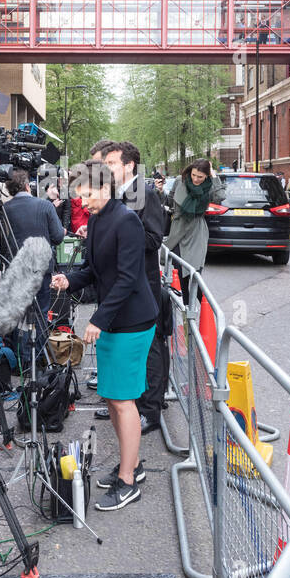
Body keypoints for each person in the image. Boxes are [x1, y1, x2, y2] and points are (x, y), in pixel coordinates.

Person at [51, 161, 158, 511]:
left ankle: (129, 481)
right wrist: (70, 281)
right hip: (114, 321)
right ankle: (132, 465)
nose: (83, 203)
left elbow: (128, 278)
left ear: (106, 188)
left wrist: (96, 319)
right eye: (79, 197)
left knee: (124, 401)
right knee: (112, 397)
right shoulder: (97, 220)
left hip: (132, 322)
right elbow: (95, 271)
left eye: (88, 195)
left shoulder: (127, 220)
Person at [105, 141, 169, 434]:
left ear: (129, 165)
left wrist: (120, 235)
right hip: (123, 283)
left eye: (112, 164)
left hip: (142, 284)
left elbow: (154, 239)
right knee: (132, 348)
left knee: (151, 347)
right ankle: (127, 404)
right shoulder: (120, 193)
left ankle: (150, 411)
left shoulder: (146, 193)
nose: (107, 169)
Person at [2, 165, 66, 354]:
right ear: (27, 186)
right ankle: (37, 357)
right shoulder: (45, 206)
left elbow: (1, 239)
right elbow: (57, 237)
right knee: (40, 312)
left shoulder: (5, 208)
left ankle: (14, 358)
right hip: (41, 269)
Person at [163, 158, 225, 289]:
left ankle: (199, 304)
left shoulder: (209, 185)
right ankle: (187, 305)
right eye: (194, 175)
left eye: (200, 177)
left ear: (207, 175)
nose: (196, 179)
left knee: (194, 271)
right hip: (178, 229)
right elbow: (169, 201)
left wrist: (214, 176)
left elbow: (220, 197)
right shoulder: (180, 180)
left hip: (196, 231)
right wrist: (159, 192)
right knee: (178, 269)